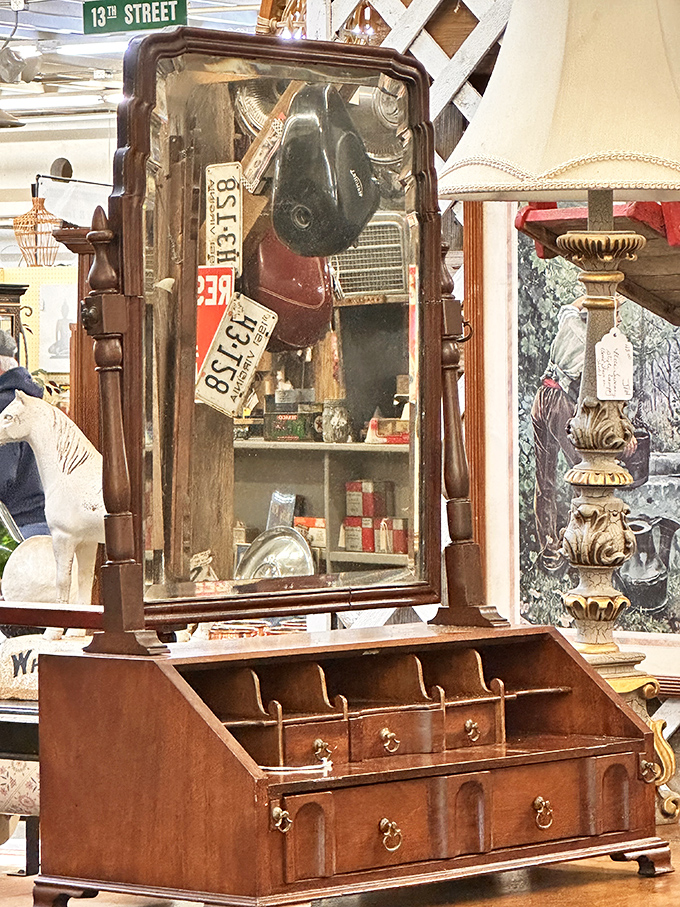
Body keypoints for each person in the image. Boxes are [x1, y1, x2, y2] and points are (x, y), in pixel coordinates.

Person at [530, 297, 586, 573]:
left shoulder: (571, 321)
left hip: (542, 399)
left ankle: (548, 546)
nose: (619, 321)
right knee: (583, 470)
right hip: (560, 404)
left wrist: (586, 297)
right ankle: (576, 540)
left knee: (545, 478)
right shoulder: (591, 342)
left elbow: (569, 308)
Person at [0, 330, 49, 538]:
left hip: (15, 529)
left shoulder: (6, 406)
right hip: (43, 522)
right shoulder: (32, 399)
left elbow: (3, 476)